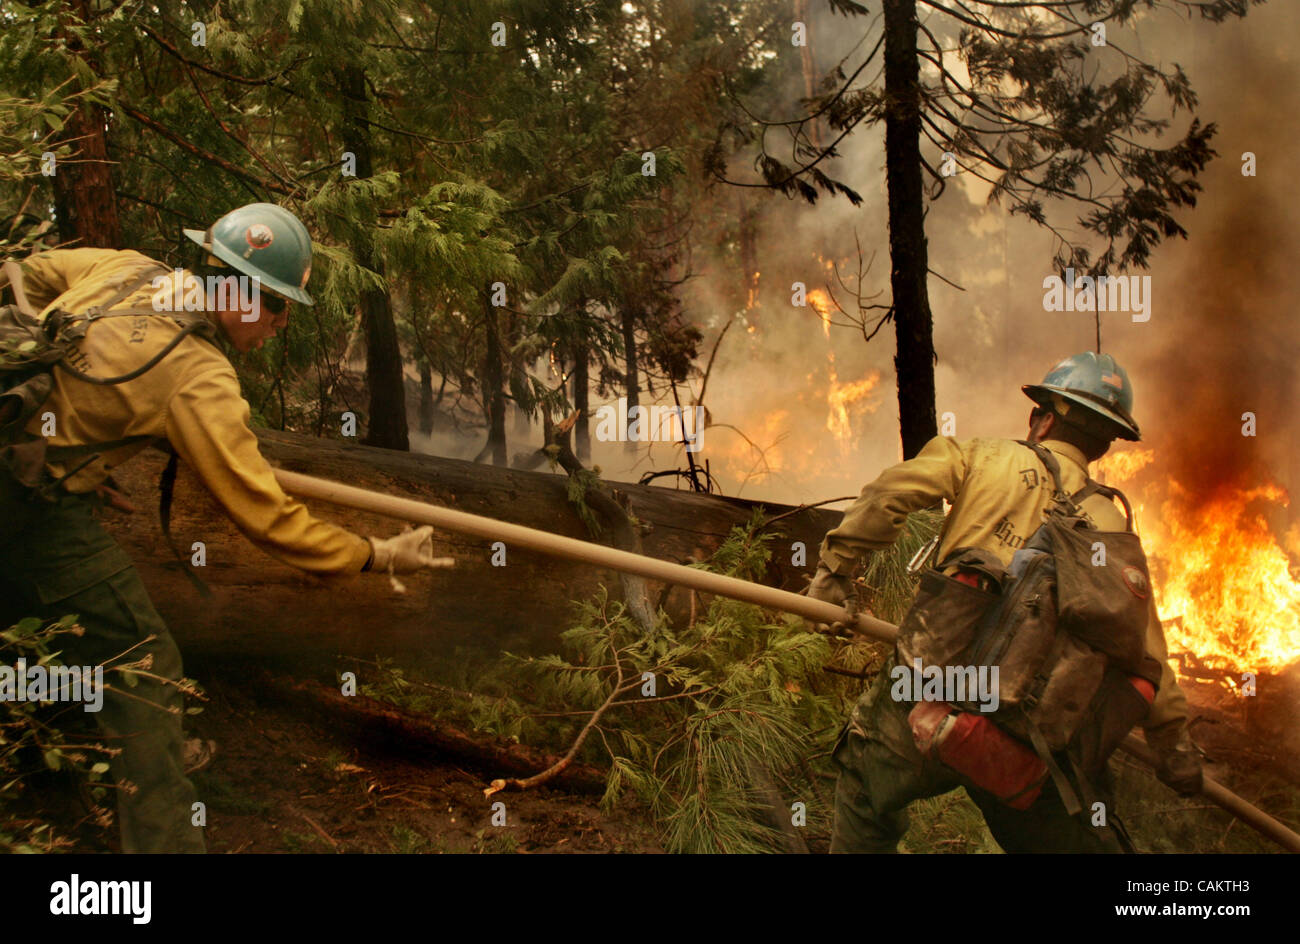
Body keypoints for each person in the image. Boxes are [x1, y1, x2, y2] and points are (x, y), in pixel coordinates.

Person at [0, 203, 444, 853]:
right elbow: (266, 515)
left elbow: (23, 273)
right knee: (143, 666)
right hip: (26, 513)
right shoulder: (199, 374)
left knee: (47, 634)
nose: (282, 322)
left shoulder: (128, 269)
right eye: (278, 305)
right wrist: (374, 554)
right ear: (239, 293)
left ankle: (46, 775)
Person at [805, 352, 1202, 853]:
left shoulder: (984, 456)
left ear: (1044, 417)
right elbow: (1147, 651)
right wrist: (1173, 745)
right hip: (1027, 730)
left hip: (928, 694)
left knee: (865, 790)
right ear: (1103, 444)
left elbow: (890, 492)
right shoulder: (1113, 525)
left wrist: (834, 570)